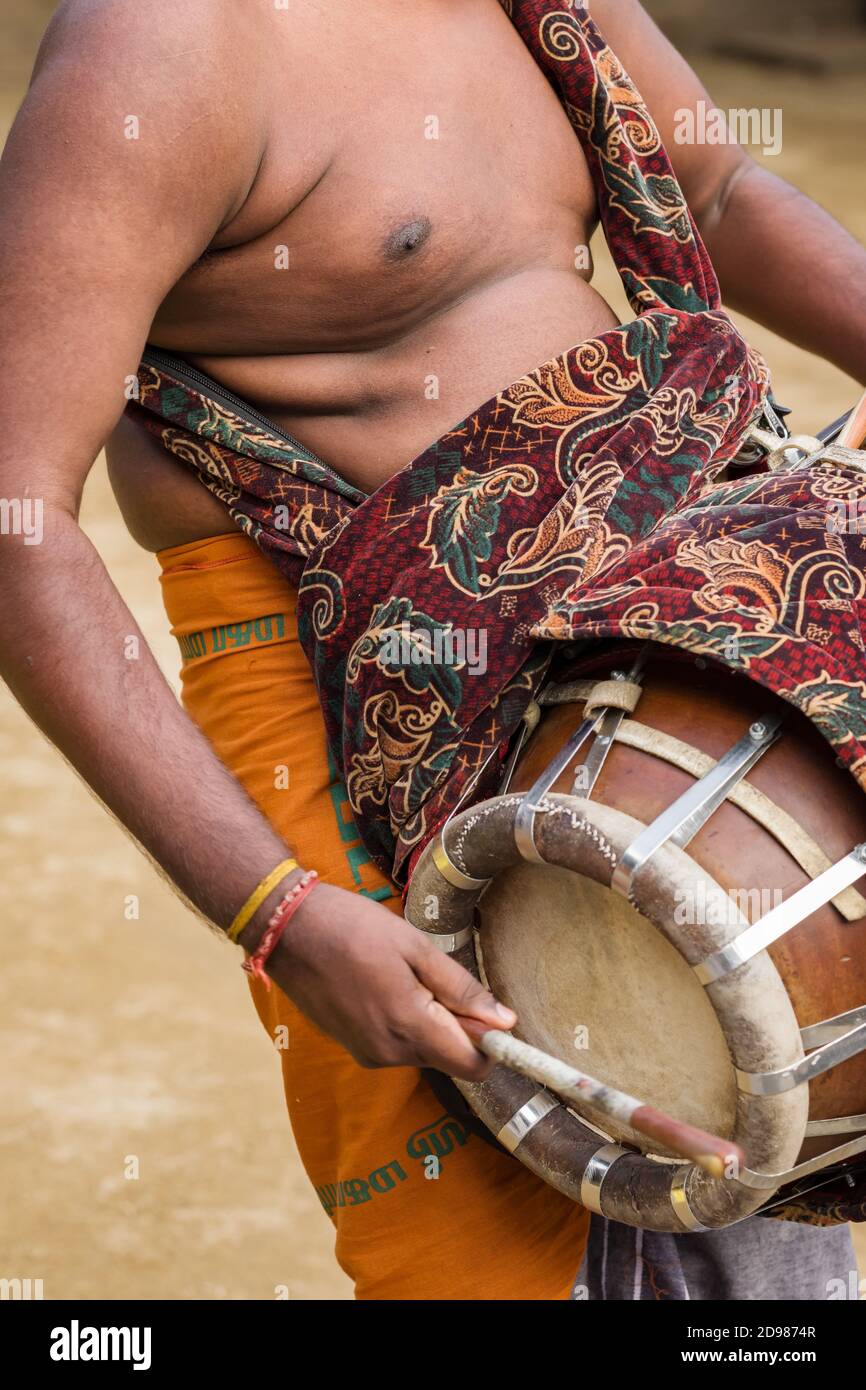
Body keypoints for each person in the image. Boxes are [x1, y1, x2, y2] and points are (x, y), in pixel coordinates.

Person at [0, 0, 863, 1299]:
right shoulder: (164, 45)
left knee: (755, 1148)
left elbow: (718, 187)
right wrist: (276, 912)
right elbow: (17, 513)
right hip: (338, 677)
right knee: (472, 1260)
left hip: (640, 614)